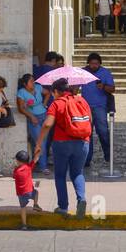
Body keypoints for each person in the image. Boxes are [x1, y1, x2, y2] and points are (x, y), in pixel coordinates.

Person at [33, 78, 92, 218]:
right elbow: (90, 119)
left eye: (53, 93)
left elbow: (47, 124)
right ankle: (81, 198)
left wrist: (39, 143)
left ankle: (63, 207)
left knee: (60, 175)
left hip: (62, 143)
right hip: (82, 142)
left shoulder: (56, 103)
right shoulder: (81, 100)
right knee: (77, 173)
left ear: (56, 91)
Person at [83, 52, 115, 168]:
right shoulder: (83, 72)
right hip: (85, 107)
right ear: (88, 63)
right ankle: (86, 159)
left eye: (96, 63)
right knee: (87, 133)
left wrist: (104, 86)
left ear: (100, 63)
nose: (94, 65)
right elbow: (75, 88)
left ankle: (108, 155)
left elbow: (112, 89)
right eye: (92, 63)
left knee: (103, 132)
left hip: (100, 107)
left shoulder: (105, 73)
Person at [16, 73, 49, 170]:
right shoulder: (21, 92)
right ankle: (43, 167)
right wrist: (31, 116)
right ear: (25, 84)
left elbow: (48, 93)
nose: (33, 83)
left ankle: (37, 163)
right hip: (34, 119)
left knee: (43, 141)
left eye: (33, 80)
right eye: (31, 81)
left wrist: (44, 104)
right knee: (40, 142)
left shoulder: (38, 87)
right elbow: (21, 108)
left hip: (44, 116)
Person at [13, 149, 42, 228]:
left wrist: (16, 168)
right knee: (36, 192)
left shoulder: (16, 170)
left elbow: (14, 176)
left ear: (18, 161)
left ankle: (24, 225)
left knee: (23, 208)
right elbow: (35, 159)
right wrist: (38, 152)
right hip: (30, 191)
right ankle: (35, 205)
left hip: (21, 194)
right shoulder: (29, 167)